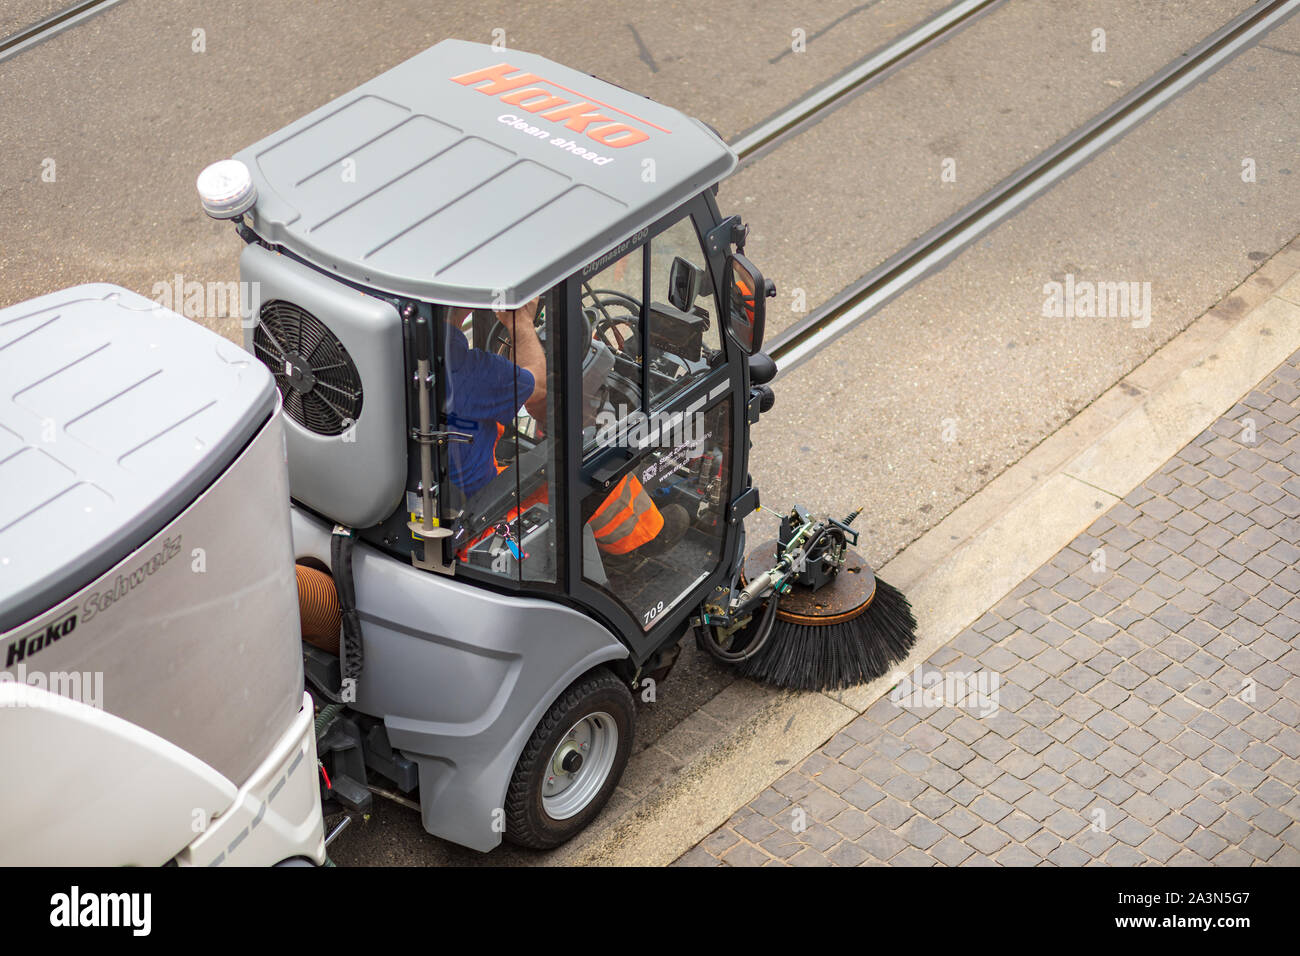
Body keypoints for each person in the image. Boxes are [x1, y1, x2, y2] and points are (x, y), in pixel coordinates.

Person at [444, 299, 686, 562]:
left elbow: (514, 382)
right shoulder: (467, 369)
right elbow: (539, 397)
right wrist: (520, 323)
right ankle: (645, 538)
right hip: (478, 526)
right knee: (596, 466)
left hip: (441, 503)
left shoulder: (408, 351)